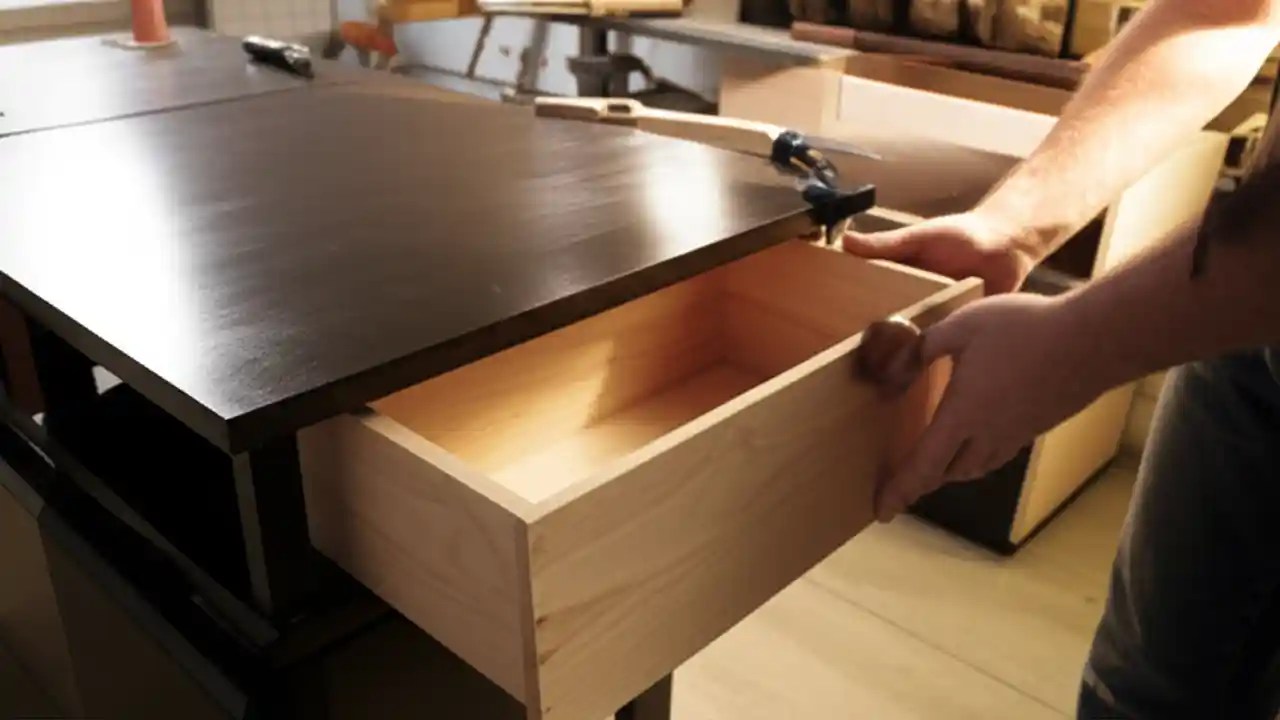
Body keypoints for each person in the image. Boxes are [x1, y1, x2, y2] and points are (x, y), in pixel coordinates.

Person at [841, 1, 1280, 718]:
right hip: (1246, 328)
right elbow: (1222, 14)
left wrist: (1081, 342)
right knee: (1143, 691)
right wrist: (1012, 225)